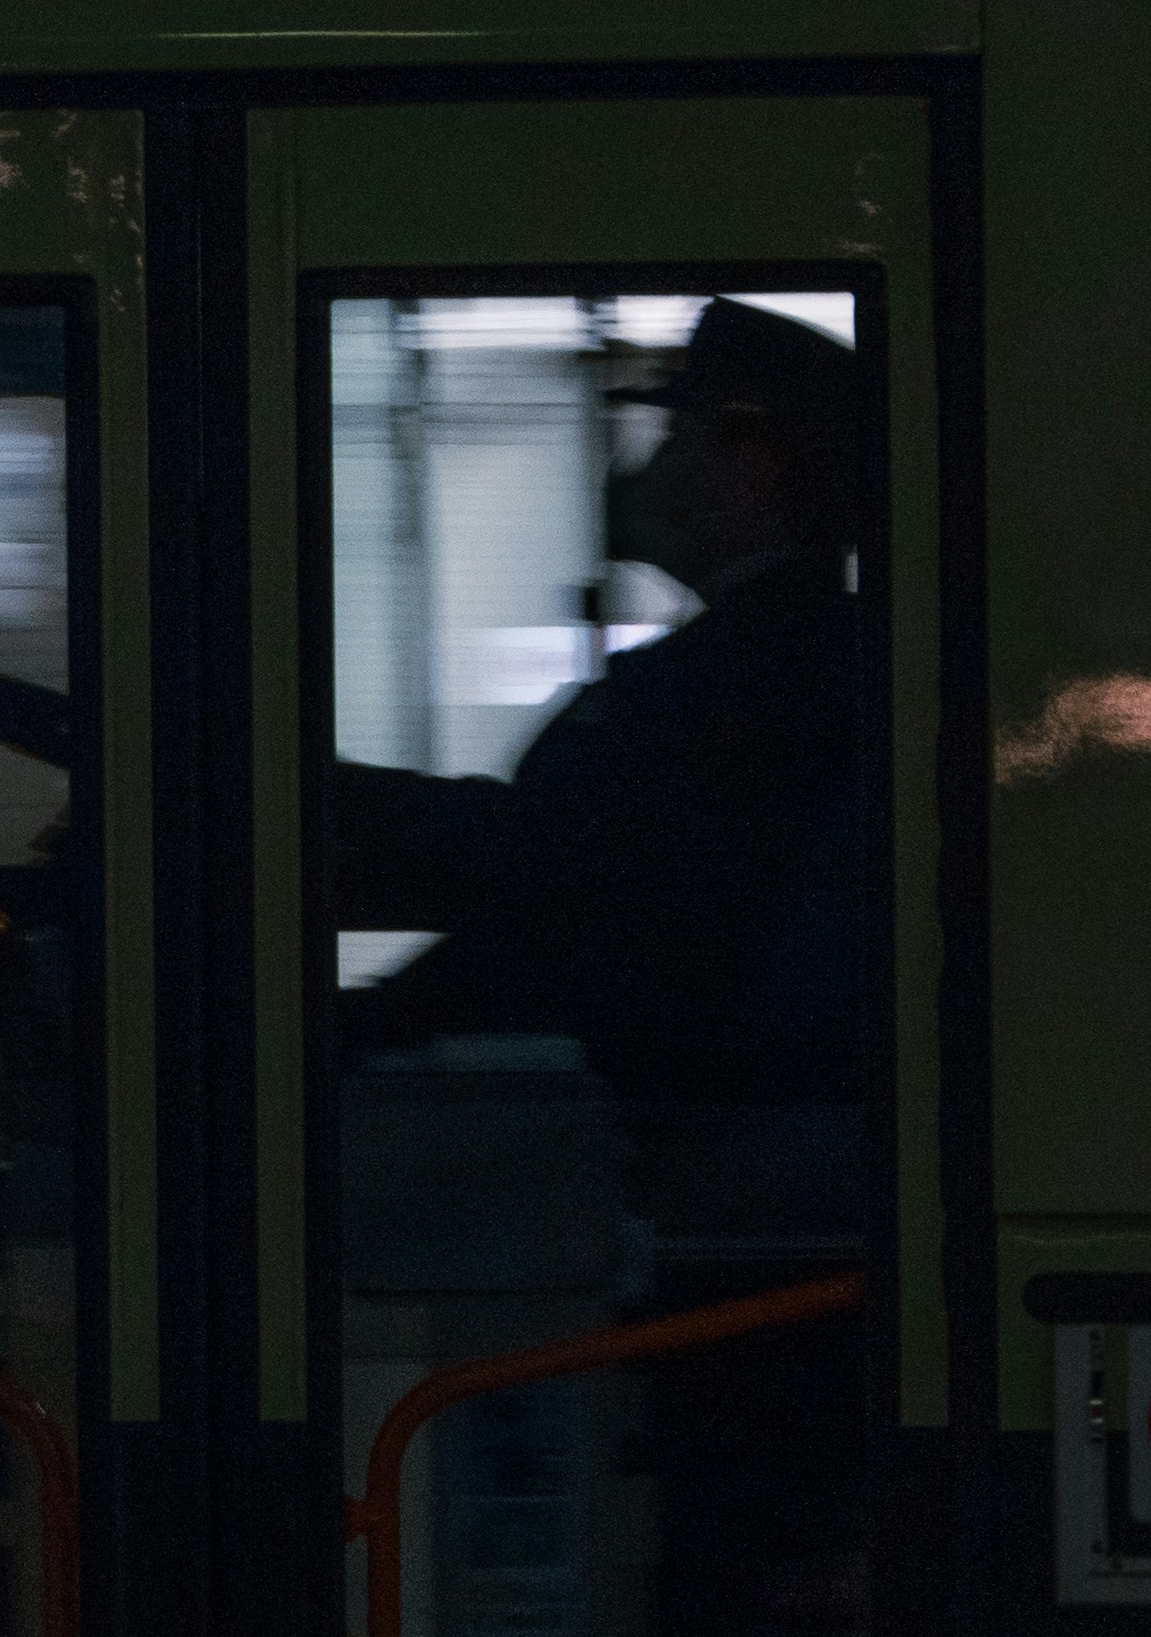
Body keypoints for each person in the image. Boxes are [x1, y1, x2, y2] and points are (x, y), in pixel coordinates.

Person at [330, 296, 871, 1103]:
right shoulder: (798, 656)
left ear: (752, 474)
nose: (647, 468)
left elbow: (553, 882)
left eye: (676, 439)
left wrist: (368, 1017)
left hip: (668, 1122)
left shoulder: (741, 677)